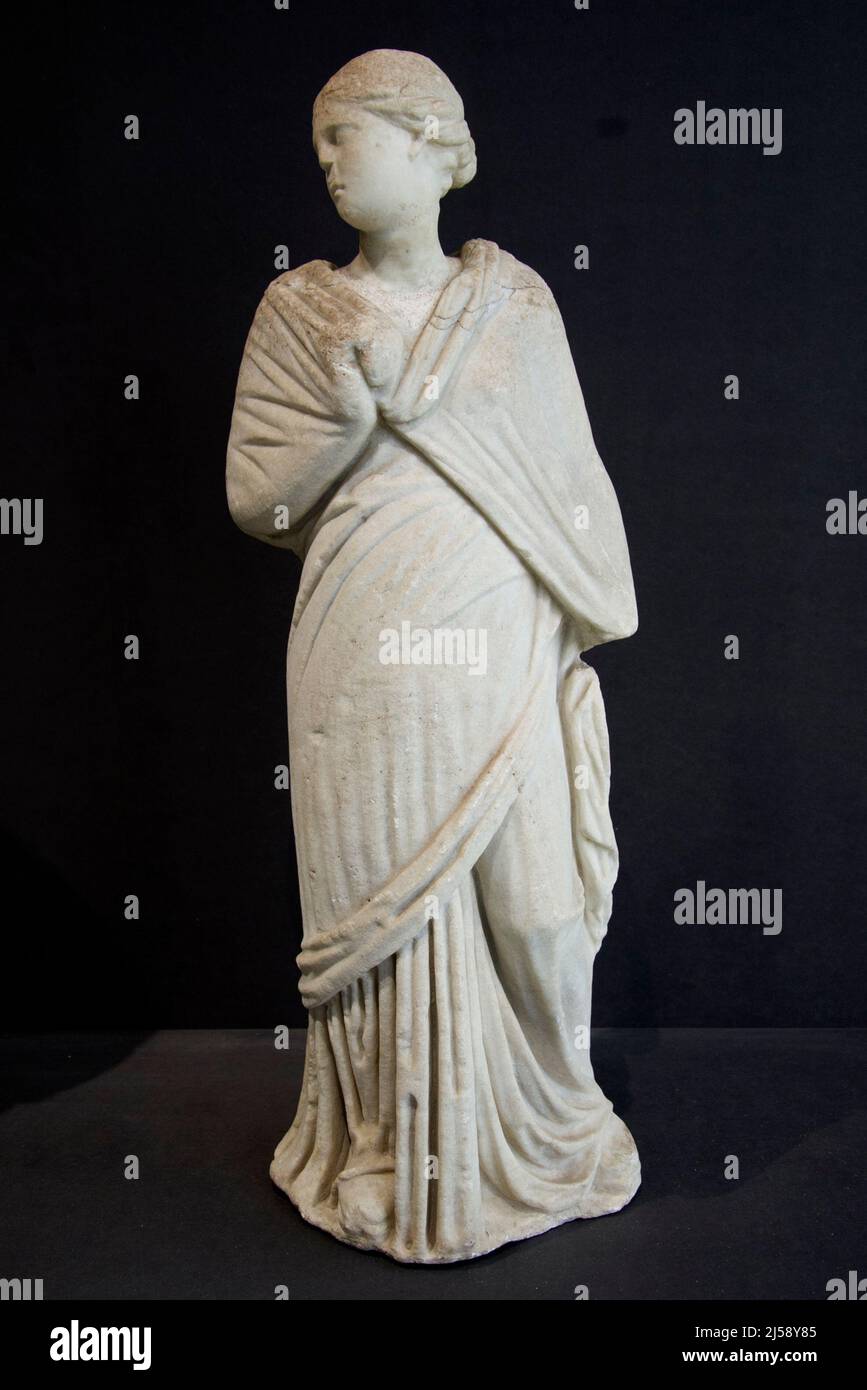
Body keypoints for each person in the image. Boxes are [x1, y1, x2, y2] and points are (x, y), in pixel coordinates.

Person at [226, 48, 641, 1263]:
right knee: (380, 909)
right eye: (318, 145)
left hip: (497, 637)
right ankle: (384, 1150)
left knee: (537, 903)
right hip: (364, 644)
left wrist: (569, 622)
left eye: (345, 135)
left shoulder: (515, 305)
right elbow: (258, 498)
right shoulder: (303, 311)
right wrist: (346, 430)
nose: (327, 162)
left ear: (427, 143)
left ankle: (558, 1113)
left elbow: (566, 481)